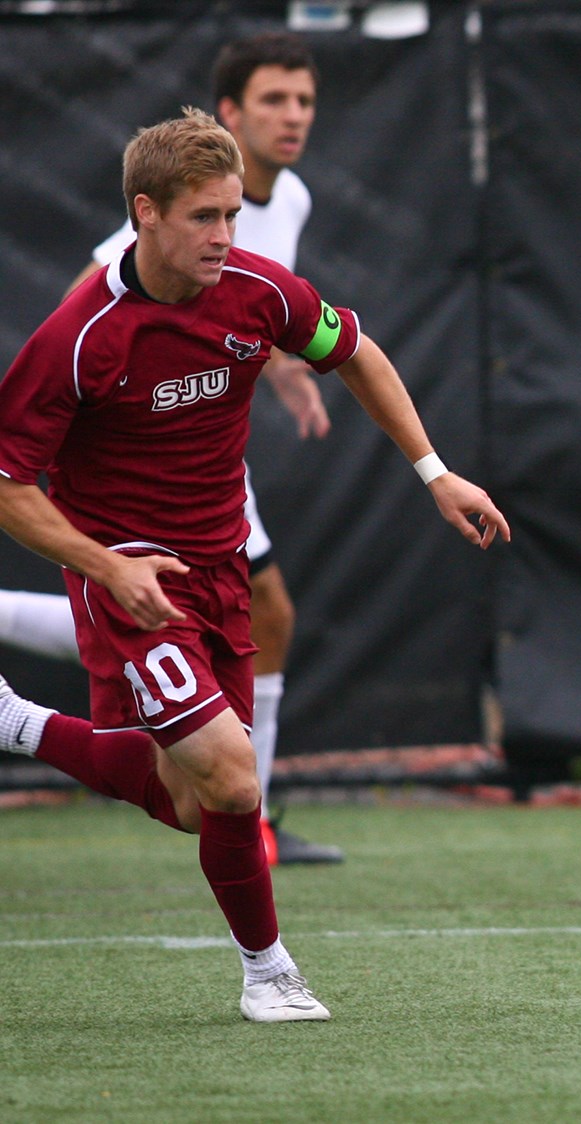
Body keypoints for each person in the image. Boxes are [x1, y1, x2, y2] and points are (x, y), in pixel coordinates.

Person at [0, 108, 508, 1021]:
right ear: (145, 213)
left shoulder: (259, 292)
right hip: (133, 581)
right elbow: (6, 483)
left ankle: (21, 724)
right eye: (204, 217)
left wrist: (435, 473)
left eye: (233, 215)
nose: (225, 237)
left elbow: (355, 353)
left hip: (221, 567)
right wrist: (104, 568)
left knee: (198, 806)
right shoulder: (82, 334)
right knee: (236, 778)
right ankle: (269, 973)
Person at [0, 33, 341, 864]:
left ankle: (245, 800)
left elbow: (248, 317)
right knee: (239, 615)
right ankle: (250, 810)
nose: (292, 116)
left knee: (262, 630)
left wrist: (289, 371)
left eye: (303, 99)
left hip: (215, 453)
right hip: (149, 471)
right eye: (272, 100)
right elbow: (105, 308)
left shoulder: (287, 199)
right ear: (231, 113)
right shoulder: (164, 219)